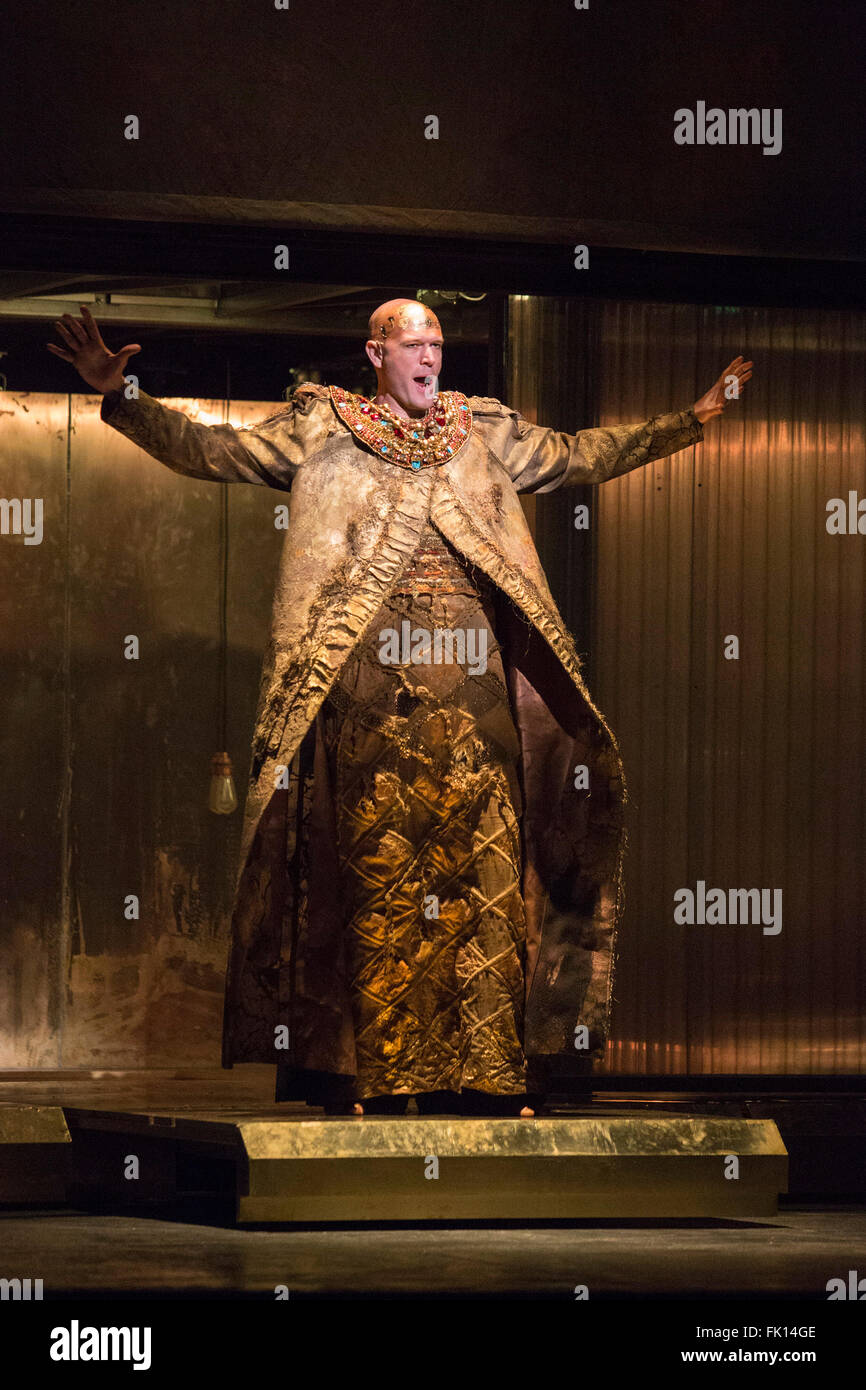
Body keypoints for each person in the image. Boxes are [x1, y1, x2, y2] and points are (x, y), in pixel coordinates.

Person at [48, 300, 752, 1118]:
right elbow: (216, 449)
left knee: (485, 870)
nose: (430, 358)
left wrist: (689, 421)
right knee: (376, 869)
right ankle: (367, 1075)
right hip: (365, 687)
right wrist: (122, 394)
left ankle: (486, 1076)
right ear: (376, 352)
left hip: (477, 687)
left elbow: (576, 455)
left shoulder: (481, 429)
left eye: (439, 345)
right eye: (414, 344)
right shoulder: (325, 422)